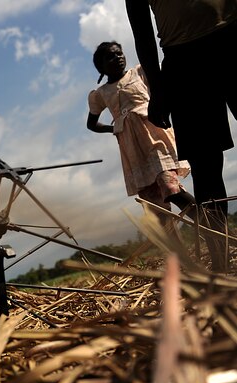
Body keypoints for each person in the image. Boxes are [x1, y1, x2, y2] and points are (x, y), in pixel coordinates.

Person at [126, 0, 236, 271]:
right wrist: (157, 88)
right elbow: (142, 31)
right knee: (206, 168)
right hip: (184, 61)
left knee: (206, 169)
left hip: (232, 37)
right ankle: (221, 267)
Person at [86, 41, 196, 231]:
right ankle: (177, 256)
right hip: (133, 151)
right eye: (111, 56)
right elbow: (92, 124)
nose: (118, 58)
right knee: (155, 206)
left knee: (170, 188)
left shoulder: (140, 73)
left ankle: (213, 225)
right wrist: (114, 129)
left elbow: (162, 91)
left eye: (119, 53)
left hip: (156, 138)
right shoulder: (101, 94)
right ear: (101, 67)